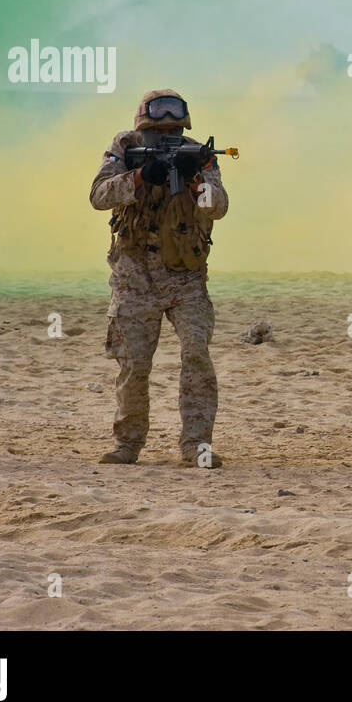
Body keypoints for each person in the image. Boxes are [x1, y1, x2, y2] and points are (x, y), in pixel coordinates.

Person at [89, 89, 229, 466]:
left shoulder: (198, 153)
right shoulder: (124, 146)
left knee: (197, 354)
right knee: (133, 363)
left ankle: (196, 444)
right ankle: (128, 444)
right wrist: (137, 178)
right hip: (134, 277)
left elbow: (218, 207)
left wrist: (199, 183)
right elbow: (99, 195)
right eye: (158, 132)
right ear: (143, 128)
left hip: (185, 277)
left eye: (173, 131)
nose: (166, 138)